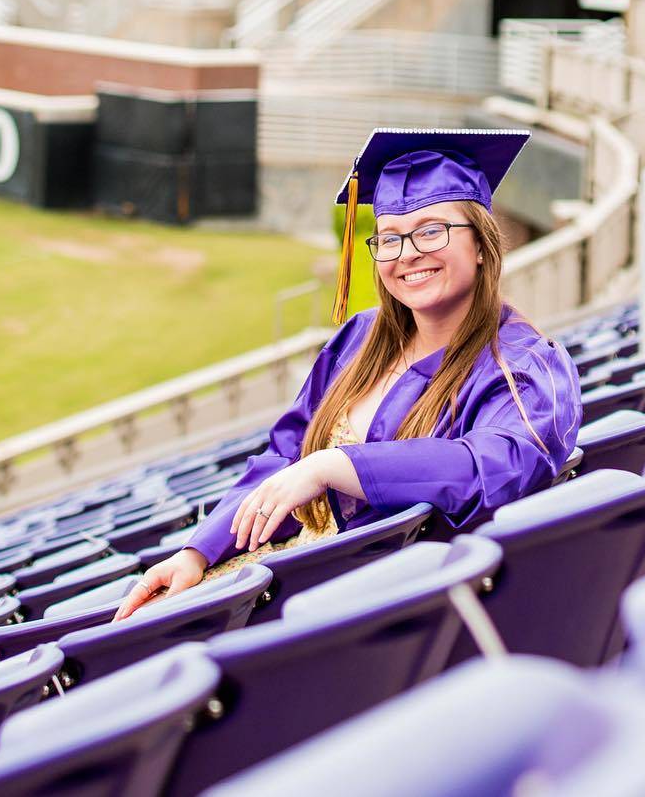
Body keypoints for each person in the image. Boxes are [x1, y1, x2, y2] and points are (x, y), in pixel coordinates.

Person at [116, 128, 582, 619]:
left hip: (377, 609)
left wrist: (334, 465)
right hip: (300, 575)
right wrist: (200, 552)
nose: (407, 254)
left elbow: (496, 466)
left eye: (431, 231)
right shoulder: (358, 340)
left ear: (483, 246)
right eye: (390, 238)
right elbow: (284, 456)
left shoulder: (524, 365)